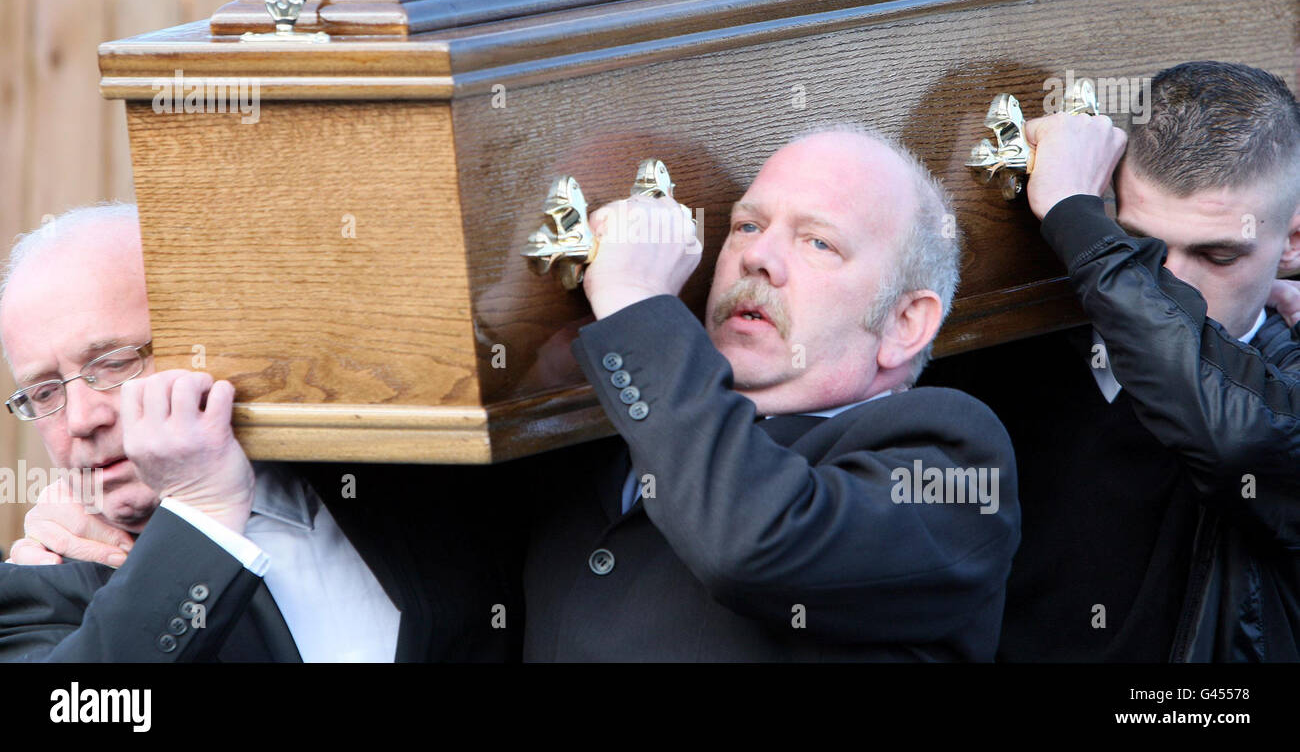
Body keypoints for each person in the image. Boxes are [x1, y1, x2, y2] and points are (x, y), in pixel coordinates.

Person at [521, 128, 1021, 661]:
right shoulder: (623, 414)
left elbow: (752, 545)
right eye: (746, 225)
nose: (757, 256)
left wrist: (633, 303)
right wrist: (534, 397)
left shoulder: (954, 464)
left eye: (819, 242)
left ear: (903, 322)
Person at [0, 204, 521, 661]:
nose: (81, 419)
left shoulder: (423, 474)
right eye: (45, 393)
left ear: (215, 333)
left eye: (112, 364)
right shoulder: (48, 579)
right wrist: (200, 515)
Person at [924, 61, 1300, 661]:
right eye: (1142, 245)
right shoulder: (1007, 345)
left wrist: (1077, 217)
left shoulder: (1283, 385)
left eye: (1218, 256)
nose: (1174, 285)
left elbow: (1244, 441)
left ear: (1293, 242)